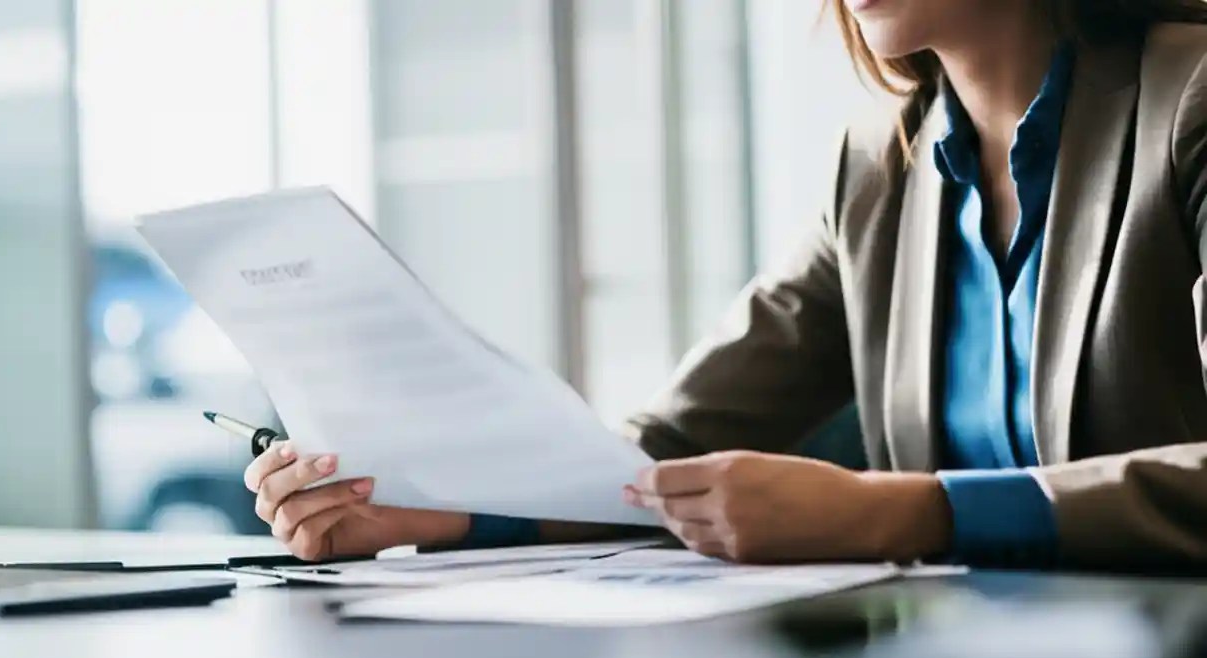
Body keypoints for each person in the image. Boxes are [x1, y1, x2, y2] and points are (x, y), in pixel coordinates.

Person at [244, 0, 1207, 571]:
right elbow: (662, 451)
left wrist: (899, 510)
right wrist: (432, 510)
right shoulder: (880, 168)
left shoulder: (1190, 102)